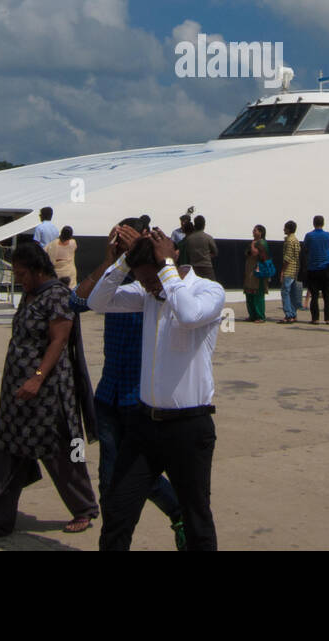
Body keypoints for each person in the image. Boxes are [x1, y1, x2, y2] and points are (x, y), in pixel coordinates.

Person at [88, 224, 225, 551]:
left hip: (189, 427)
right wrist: (123, 263)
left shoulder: (208, 291)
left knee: (196, 519)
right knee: (118, 510)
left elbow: (189, 315)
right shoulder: (147, 295)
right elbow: (96, 301)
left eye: (150, 279)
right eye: (142, 279)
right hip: (144, 425)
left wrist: (164, 271)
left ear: (172, 257)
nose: (148, 287)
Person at [0, 241, 98, 538]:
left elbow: (58, 340)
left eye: (22, 273)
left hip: (49, 395)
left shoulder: (56, 296)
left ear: (39, 270)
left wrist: (37, 377)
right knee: (5, 452)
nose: (18, 279)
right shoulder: (30, 295)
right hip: (17, 396)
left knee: (62, 454)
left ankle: (84, 508)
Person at [71, 220, 187, 549]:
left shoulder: (150, 289)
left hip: (141, 398)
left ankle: (179, 510)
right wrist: (112, 260)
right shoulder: (115, 286)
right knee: (110, 477)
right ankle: (116, 538)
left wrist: (150, 257)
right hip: (109, 393)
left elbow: (180, 297)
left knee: (136, 473)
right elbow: (78, 302)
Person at [302, 215, 329, 325]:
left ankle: (315, 318)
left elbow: (305, 249)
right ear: (323, 223)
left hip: (313, 267)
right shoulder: (328, 235)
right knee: (327, 295)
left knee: (314, 295)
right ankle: (328, 318)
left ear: (313, 223)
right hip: (326, 267)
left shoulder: (309, 236)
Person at [277, 220, 303, 324]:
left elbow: (287, 258)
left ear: (288, 229)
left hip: (289, 270)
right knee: (293, 293)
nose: (283, 229)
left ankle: (288, 314)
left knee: (285, 292)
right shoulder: (296, 240)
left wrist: (282, 271)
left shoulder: (289, 241)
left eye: (285, 228)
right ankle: (293, 313)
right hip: (295, 269)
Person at [243, 224, 270, 323]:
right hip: (250, 271)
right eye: (253, 230)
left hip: (259, 272)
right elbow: (247, 253)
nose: (253, 232)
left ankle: (260, 316)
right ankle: (252, 315)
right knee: (249, 293)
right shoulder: (253, 243)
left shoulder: (262, 243)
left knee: (258, 294)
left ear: (261, 232)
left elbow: (255, 253)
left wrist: (253, 244)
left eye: (255, 231)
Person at [179, 214, 218, 280]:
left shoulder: (189, 239)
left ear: (195, 225)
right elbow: (215, 252)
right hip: (207, 268)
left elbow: (187, 253)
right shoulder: (208, 238)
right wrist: (206, 255)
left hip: (194, 268)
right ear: (204, 225)